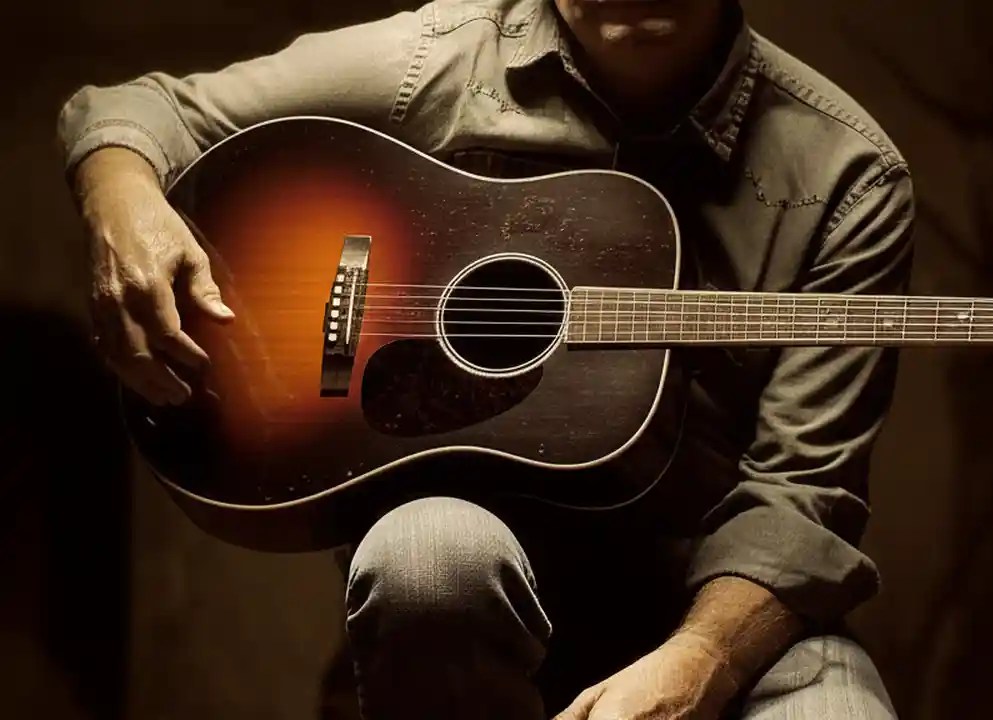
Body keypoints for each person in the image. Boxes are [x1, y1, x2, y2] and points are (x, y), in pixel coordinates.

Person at [57, 0, 915, 718]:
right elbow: (138, 111)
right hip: (482, 584)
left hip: (722, 610)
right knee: (428, 557)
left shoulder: (848, 176)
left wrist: (700, 661)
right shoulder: (436, 57)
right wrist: (121, 199)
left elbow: (802, 497)